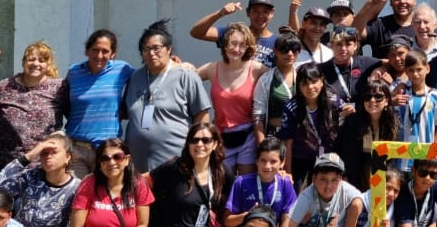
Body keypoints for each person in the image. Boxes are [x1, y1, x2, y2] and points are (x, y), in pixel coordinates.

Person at [122, 22, 212, 173]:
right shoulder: (135, 78)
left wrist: (197, 152)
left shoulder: (186, 75)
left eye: (156, 48)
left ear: (169, 49)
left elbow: (202, 116)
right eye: (146, 49)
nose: (151, 53)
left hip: (176, 165)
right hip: (138, 168)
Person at [142, 125, 227, 227]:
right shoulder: (174, 167)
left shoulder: (221, 172)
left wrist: (278, 175)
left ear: (215, 144)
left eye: (205, 140)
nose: (199, 144)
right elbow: (140, 182)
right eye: (194, 140)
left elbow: (240, 191)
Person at [57, 30, 131, 172]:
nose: (99, 56)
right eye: (95, 50)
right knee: (76, 193)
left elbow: (147, 74)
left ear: (113, 54)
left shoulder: (122, 69)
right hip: (76, 148)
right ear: (87, 51)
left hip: (108, 151)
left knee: (104, 193)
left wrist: (173, 63)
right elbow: (65, 103)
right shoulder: (74, 72)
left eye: (105, 51)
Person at [0, 41, 64, 175]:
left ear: (48, 65)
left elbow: (73, 115)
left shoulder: (59, 88)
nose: (36, 64)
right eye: (31, 59)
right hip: (6, 164)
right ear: (23, 62)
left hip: (44, 165)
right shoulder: (2, 87)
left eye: (42, 60)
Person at [199, 22, 261, 177]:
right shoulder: (212, 68)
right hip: (221, 135)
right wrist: (182, 64)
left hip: (247, 135)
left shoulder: (256, 69)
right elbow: (187, 77)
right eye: (233, 43)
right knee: (223, 185)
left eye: (242, 45)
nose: (237, 49)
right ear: (225, 44)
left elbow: (280, 77)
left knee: (245, 184)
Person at [278, 62, 347, 187]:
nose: (310, 87)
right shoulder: (292, 107)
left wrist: (348, 112)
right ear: (298, 86)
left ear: (321, 82)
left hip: (326, 155)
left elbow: (345, 114)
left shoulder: (332, 100)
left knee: (323, 192)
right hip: (300, 157)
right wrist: (288, 172)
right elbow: (287, 141)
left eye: (314, 82)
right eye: (305, 83)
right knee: (296, 193)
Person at [226, 137, 298, 227]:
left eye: (273, 161)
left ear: (282, 163)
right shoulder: (241, 182)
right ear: (256, 161)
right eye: (263, 160)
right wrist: (248, 215)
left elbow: (288, 221)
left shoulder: (285, 183)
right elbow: (227, 221)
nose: (267, 166)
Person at [189, 0, 279, 67]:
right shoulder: (234, 34)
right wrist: (219, 14)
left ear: (272, 13)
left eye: (265, 12)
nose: (260, 16)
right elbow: (196, 33)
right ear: (248, 12)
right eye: (255, 11)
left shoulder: (278, 42)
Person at [336, 77, 395, 191]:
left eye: (378, 97)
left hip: (385, 177)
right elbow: (347, 156)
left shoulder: (393, 123)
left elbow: (394, 157)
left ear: (386, 101)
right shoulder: (352, 122)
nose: (372, 100)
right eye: (367, 97)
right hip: (356, 177)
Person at [251, 33, 302, 144]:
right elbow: (258, 116)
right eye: (284, 49)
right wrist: (261, 144)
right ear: (275, 51)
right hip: (275, 136)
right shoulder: (265, 80)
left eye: (294, 50)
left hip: (300, 136)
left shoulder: (303, 77)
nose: (290, 54)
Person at [319, 24, 366, 100]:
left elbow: (388, 63)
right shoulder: (320, 70)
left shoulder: (364, 62)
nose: (343, 48)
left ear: (355, 45)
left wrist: (379, 70)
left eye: (348, 44)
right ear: (331, 45)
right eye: (339, 44)